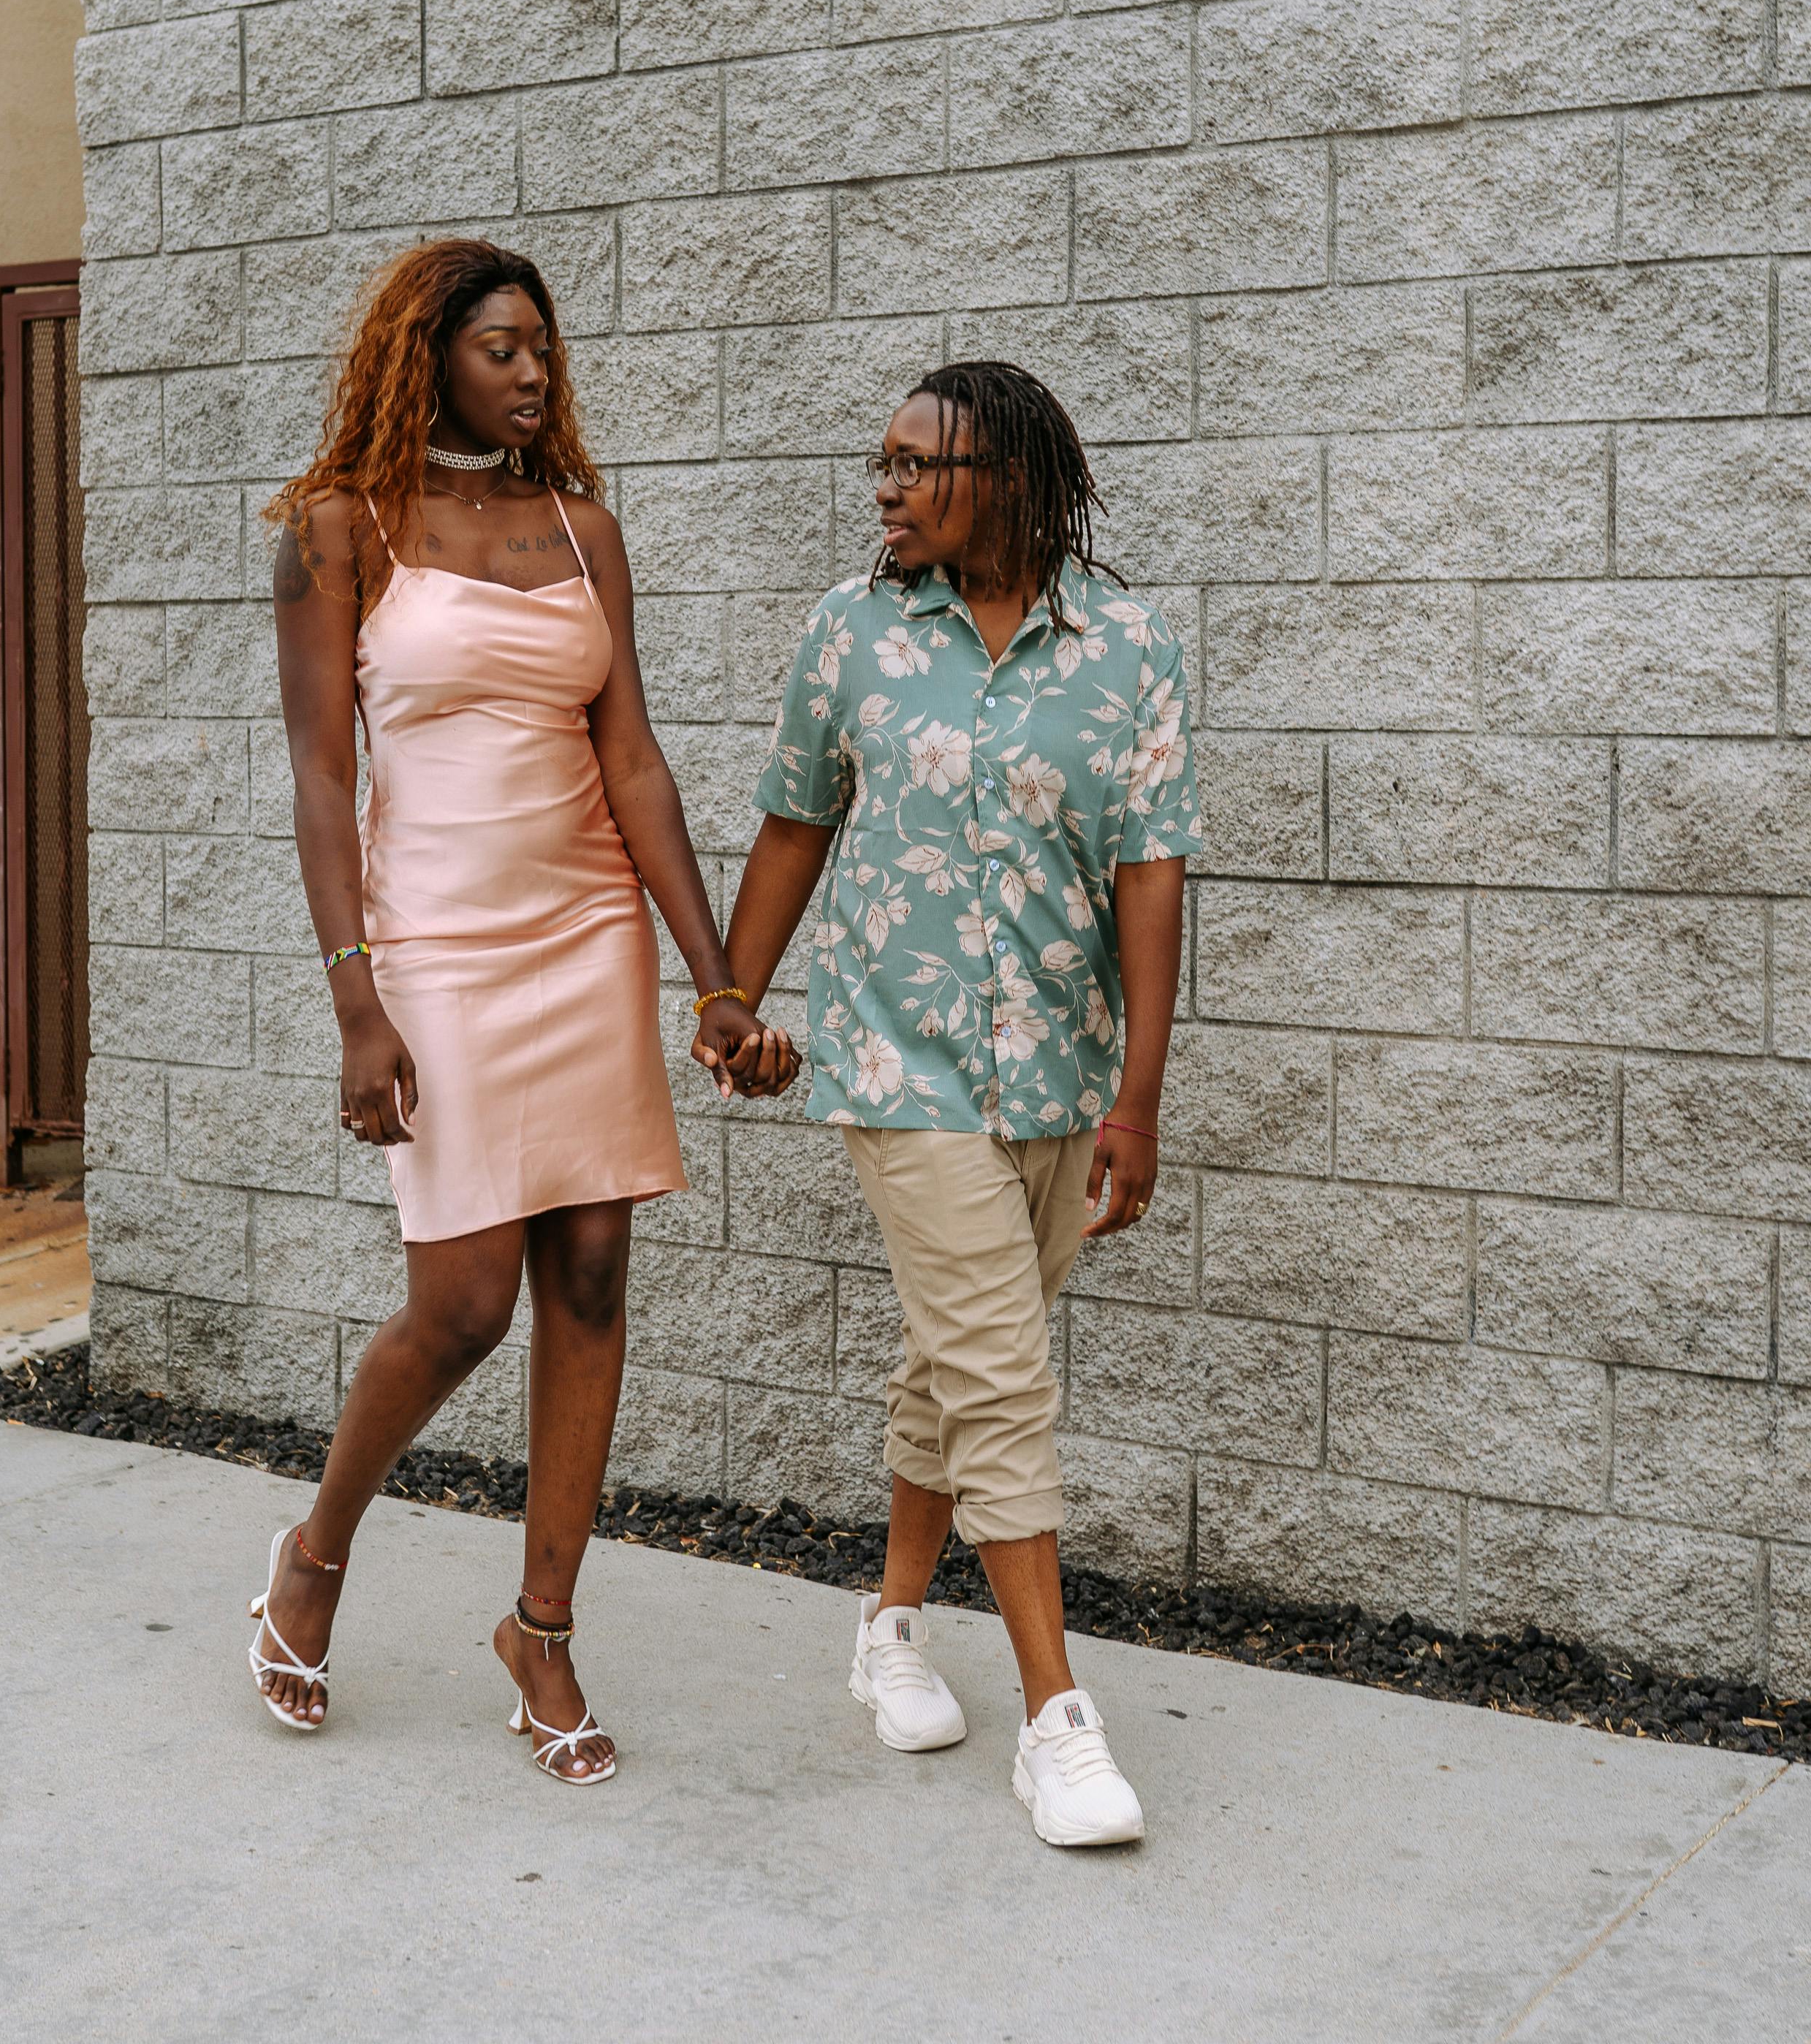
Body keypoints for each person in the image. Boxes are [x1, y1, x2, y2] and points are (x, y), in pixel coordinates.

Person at [251, 238, 790, 1777]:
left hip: (582, 931)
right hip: (432, 940)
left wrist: (716, 974)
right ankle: (316, 1554)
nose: (534, 370)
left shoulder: (582, 526)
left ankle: (540, 1628)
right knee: (463, 1297)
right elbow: (319, 776)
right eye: (501, 346)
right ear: (427, 358)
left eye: (544, 347)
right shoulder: (333, 530)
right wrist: (355, 997)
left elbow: (632, 764)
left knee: (598, 1268)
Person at [703, 360, 1200, 1848]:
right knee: (998, 1368)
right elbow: (796, 819)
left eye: (919, 463)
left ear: (1008, 477)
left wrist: (1138, 1097)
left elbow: (1150, 875)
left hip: (1056, 1065)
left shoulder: (1125, 645)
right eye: (882, 462)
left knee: (955, 1352)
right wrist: (735, 996)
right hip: (894, 1058)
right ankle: (1056, 1718)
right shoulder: (849, 632)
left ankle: (891, 1621)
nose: (887, 487)